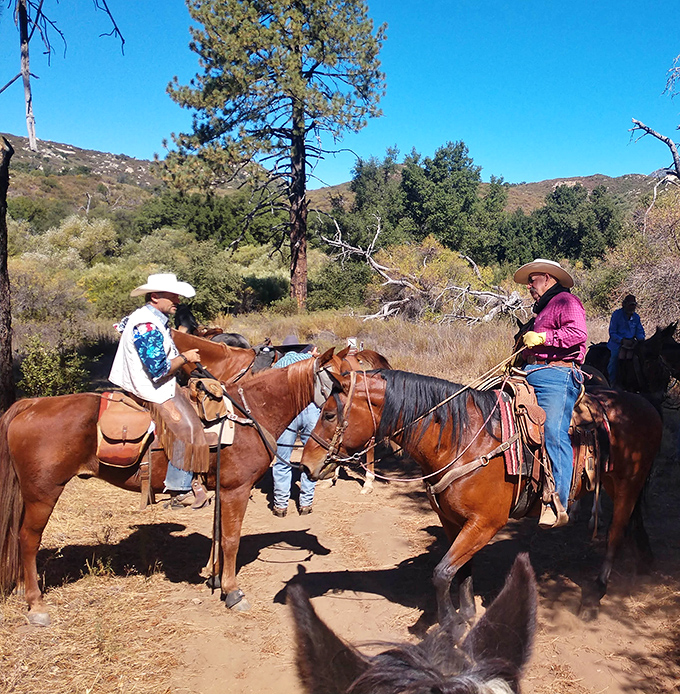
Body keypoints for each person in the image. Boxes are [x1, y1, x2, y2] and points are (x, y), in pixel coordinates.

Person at [109, 273, 210, 509]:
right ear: (155, 296)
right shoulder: (147, 325)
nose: (177, 300)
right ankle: (180, 489)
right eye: (172, 295)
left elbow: (122, 326)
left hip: (149, 383)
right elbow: (158, 369)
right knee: (187, 426)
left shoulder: (150, 318)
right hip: (148, 387)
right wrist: (186, 357)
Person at [513, 259, 588, 529]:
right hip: (529, 372)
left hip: (557, 375)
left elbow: (578, 333)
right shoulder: (541, 312)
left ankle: (557, 502)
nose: (529, 287)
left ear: (546, 278)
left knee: (554, 433)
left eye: (532, 281)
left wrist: (544, 338)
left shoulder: (566, 301)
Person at [271, 335, 321, 517]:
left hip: (287, 413)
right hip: (311, 410)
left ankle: (280, 505)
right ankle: (306, 503)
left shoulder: (277, 366)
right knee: (312, 457)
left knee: (282, 459)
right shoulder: (311, 361)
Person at [607, 294, 645, 385]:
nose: (632, 307)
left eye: (634, 305)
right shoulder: (616, 315)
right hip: (617, 344)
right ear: (624, 304)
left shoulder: (636, 317)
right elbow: (612, 332)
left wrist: (641, 340)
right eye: (630, 305)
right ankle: (611, 383)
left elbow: (640, 331)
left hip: (632, 343)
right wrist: (622, 341)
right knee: (614, 359)